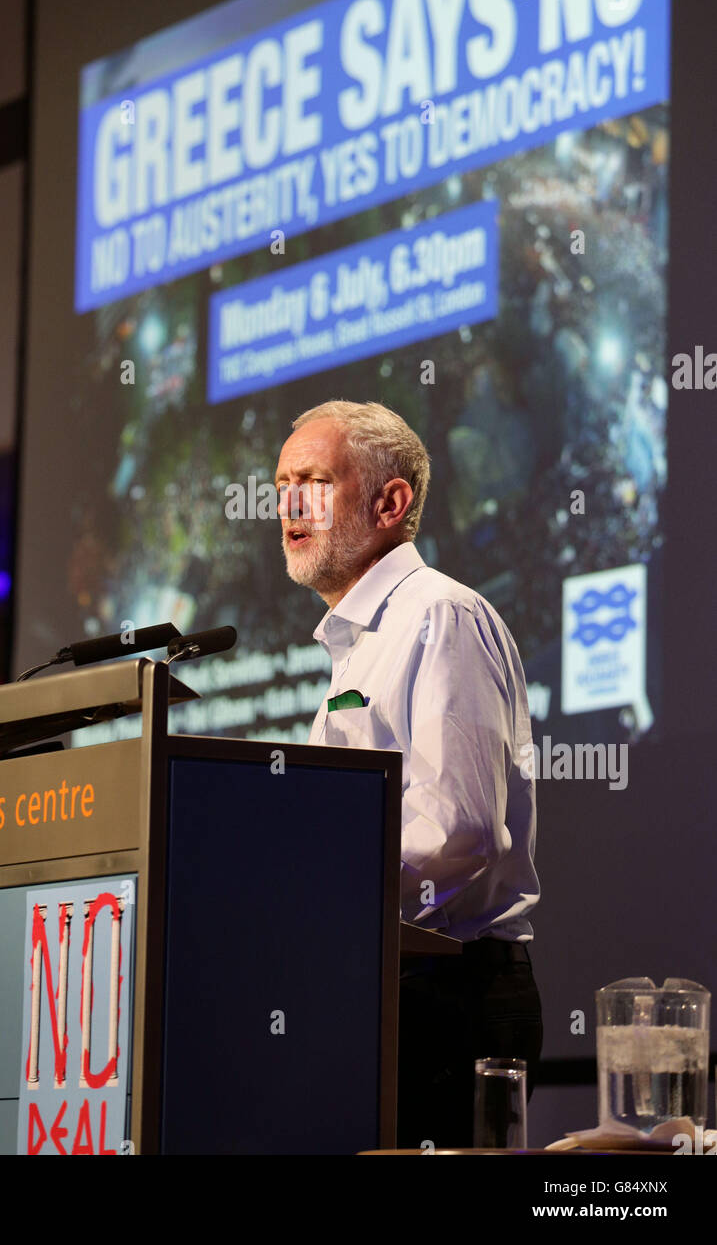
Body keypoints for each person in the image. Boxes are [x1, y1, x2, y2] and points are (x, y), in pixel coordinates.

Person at [275, 398, 542, 1149]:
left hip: (451, 998)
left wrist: (315, 898)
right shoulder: (358, 645)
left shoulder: (437, 617)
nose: (288, 504)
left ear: (390, 502)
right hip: (383, 991)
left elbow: (457, 829)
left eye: (314, 481)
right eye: (279, 485)